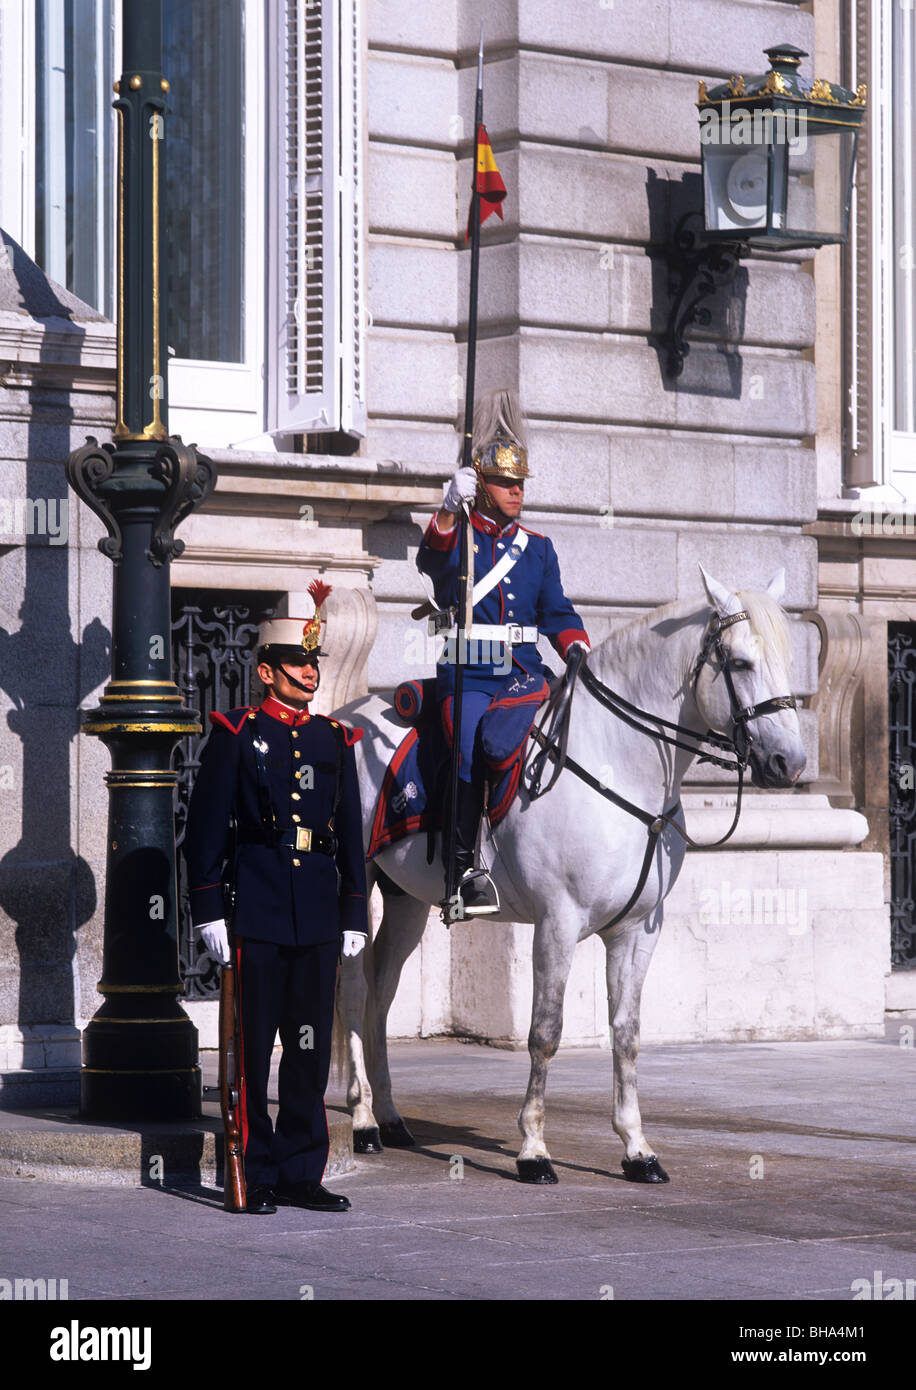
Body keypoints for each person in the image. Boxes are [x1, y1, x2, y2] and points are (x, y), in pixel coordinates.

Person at [183, 581, 368, 1214]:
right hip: (257, 909)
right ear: (267, 671)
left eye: (315, 663)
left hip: (316, 912)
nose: (310, 674)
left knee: (310, 1052)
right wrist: (207, 907)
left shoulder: (333, 742)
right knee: (252, 1049)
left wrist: (352, 910)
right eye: (297, 664)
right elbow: (203, 832)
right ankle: (253, 1169)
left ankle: (300, 1171)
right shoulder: (236, 734)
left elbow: (349, 834)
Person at [416, 390, 591, 916]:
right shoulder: (460, 536)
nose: (516, 493)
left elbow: (555, 610)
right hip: (468, 670)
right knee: (469, 746)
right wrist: (447, 511)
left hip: (522, 672)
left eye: (520, 485)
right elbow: (431, 563)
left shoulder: (537, 546)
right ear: (482, 488)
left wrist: (575, 644)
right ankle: (464, 870)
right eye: (505, 484)